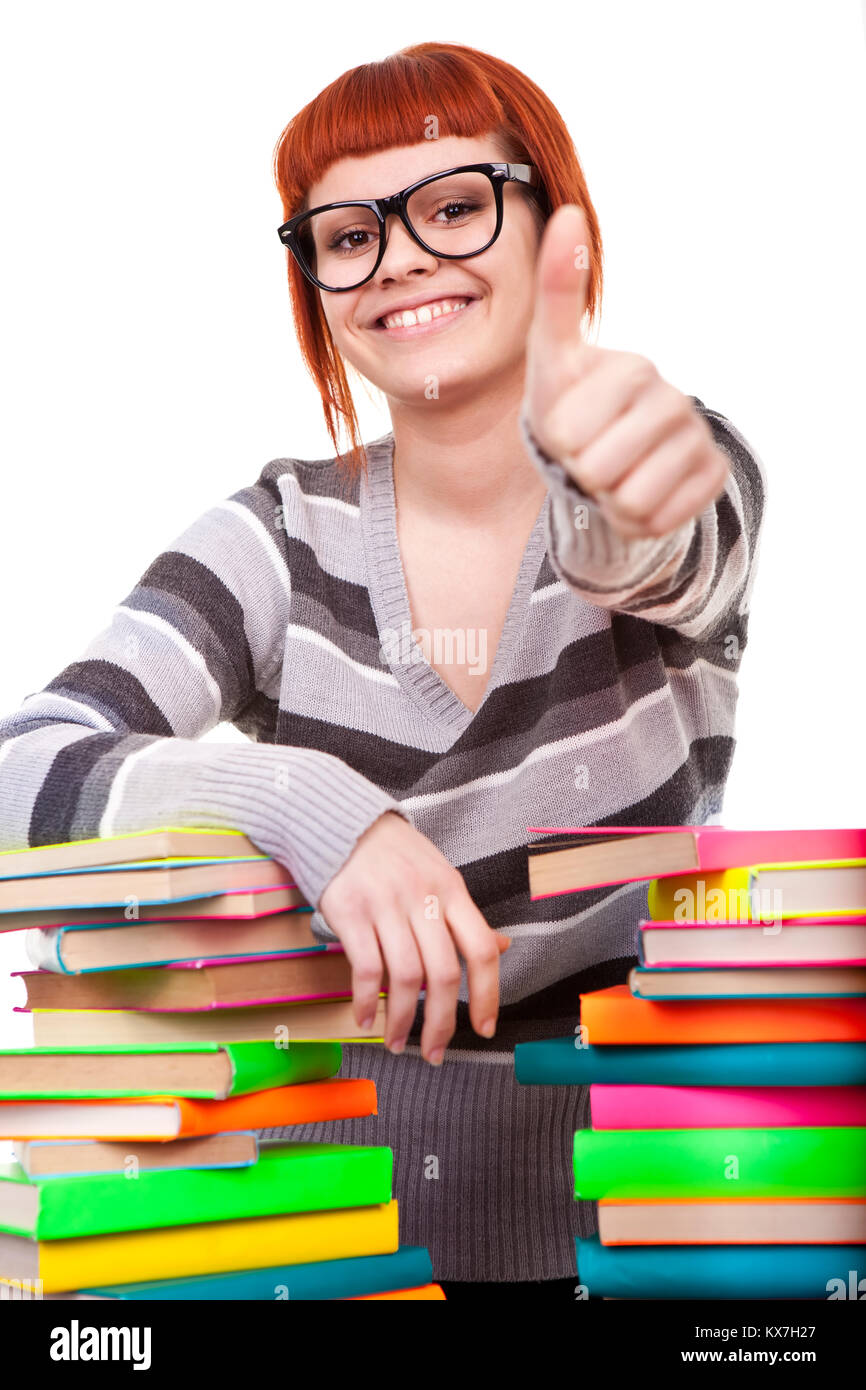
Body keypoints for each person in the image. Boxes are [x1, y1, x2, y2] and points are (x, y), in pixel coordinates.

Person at [0, 41, 765, 1292]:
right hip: (314, 1237)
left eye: (454, 206)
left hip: (644, 1235)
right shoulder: (278, 538)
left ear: (548, 224)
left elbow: (658, 538)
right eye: (345, 232)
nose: (399, 256)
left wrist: (610, 463)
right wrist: (316, 810)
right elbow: (21, 770)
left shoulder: (678, 462)